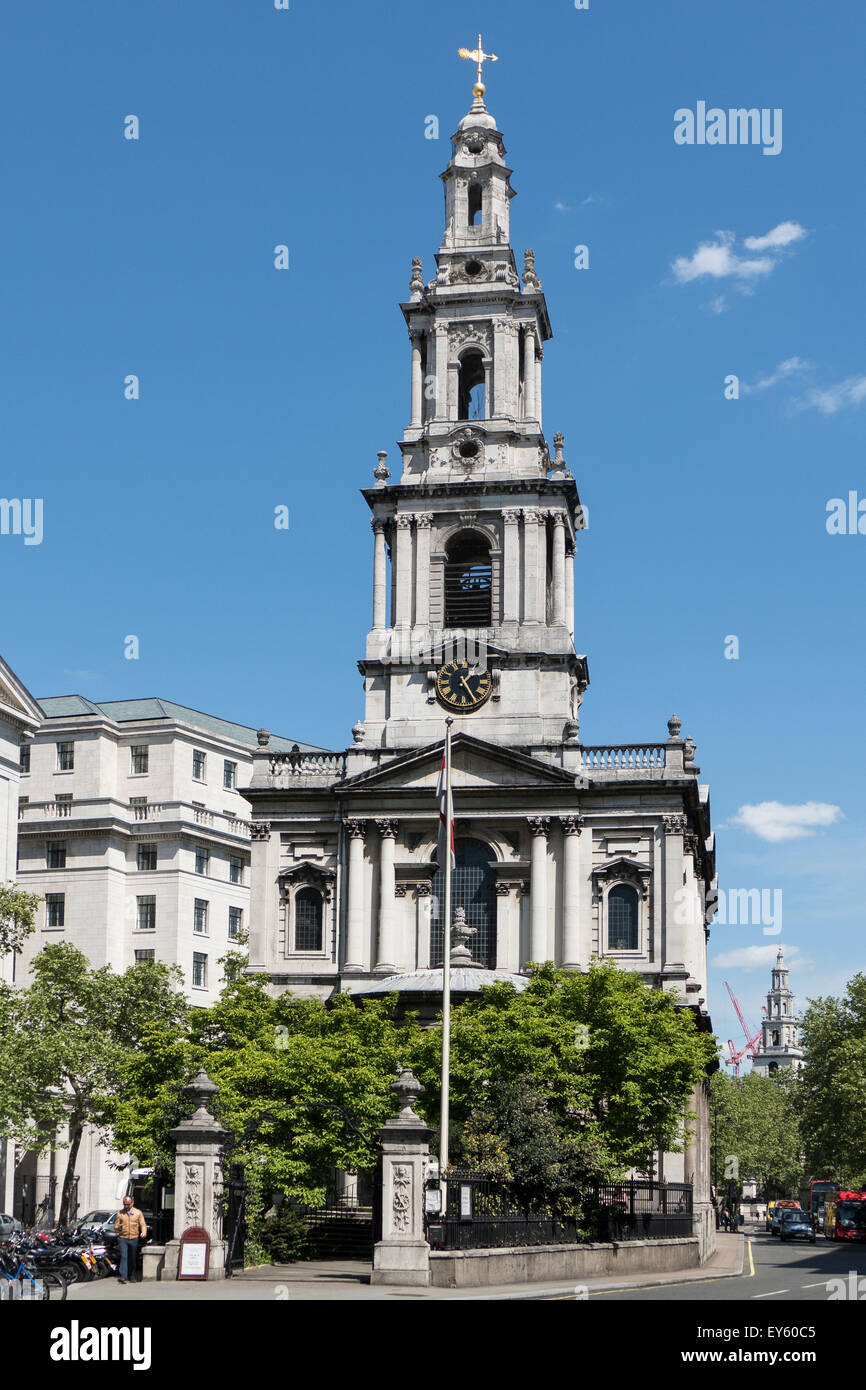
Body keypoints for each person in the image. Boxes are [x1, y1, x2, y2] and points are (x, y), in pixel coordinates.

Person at [114, 1194, 147, 1284]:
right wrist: (118, 1227)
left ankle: (131, 1275)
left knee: (132, 1257)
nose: (126, 1206)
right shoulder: (120, 1213)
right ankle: (123, 1276)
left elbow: (142, 1224)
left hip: (134, 1238)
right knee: (124, 1257)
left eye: (128, 1204)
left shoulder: (138, 1213)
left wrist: (143, 1232)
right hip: (123, 1238)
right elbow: (115, 1226)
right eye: (124, 1204)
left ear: (132, 1203)